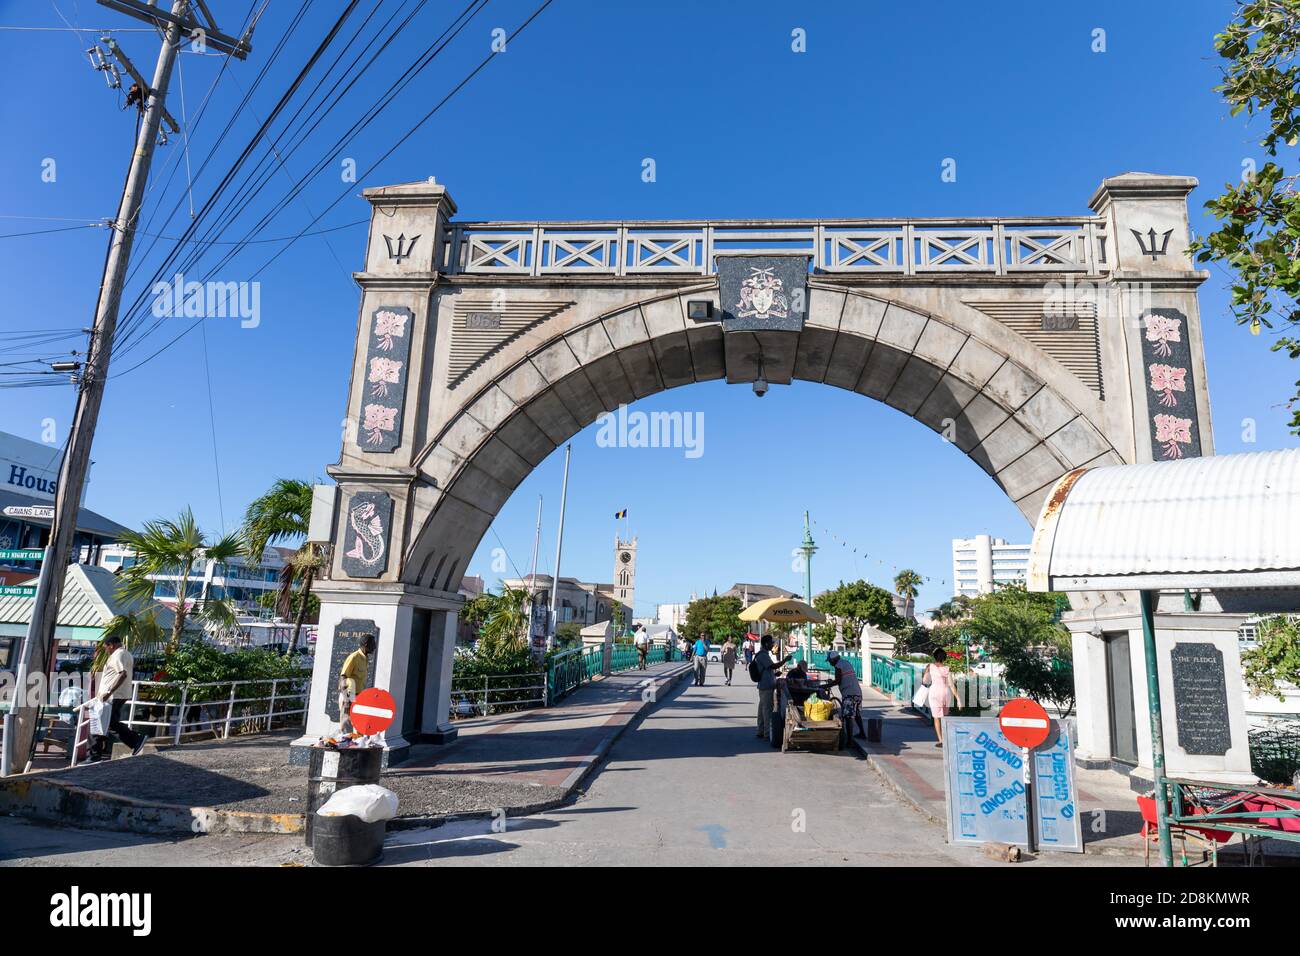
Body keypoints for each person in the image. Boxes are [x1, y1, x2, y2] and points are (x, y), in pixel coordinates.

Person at [89, 635, 146, 762]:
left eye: (106, 648)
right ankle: (135, 741)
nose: (106, 651)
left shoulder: (117, 655)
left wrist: (109, 692)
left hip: (113, 696)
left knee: (100, 723)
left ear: (111, 645)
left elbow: (122, 674)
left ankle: (94, 756)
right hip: (118, 695)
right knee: (110, 723)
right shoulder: (126, 654)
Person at [753, 635, 792, 740]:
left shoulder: (764, 654)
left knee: (762, 709)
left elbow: (767, 670)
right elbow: (772, 666)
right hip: (766, 686)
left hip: (765, 684)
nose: (772, 644)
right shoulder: (763, 655)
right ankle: (766, 733)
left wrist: (774, 675)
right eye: (771, 642)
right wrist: (785, 660)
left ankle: (760, 730)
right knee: (767, 710)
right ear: (766, 644)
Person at [338, 634, 376, 734]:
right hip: (349, 696)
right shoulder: (354, 657)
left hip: (360, 697)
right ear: (366, 644)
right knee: (347, 731)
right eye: (373, 644)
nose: (375, 646)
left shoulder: (365, 658)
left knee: (360, 729)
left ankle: (357, 749)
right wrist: (346, 701)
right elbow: (343, 678)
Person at [825, 650, 866, 741]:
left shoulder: (838, 666)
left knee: (848, 717)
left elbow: (838, 681)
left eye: (830, 661)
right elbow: (842, 678)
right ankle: (862, 733)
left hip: (849, 695)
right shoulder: (846, 663)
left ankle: (849, 741)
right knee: (857, 714)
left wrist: (825, 686)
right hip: (857, 693)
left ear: (833, 659)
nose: (830, 663)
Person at [923, 648, 958, 747]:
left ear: (935, 656)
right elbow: (951, 685)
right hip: (946, 693)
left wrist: (927, 673)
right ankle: (947, 738)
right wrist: (958, 699)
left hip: (935, 693)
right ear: (944, 658)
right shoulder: (947, 668)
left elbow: (925, 681)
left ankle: (941, 740)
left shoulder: (930, 666)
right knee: (944, 717)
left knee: (936, 718)